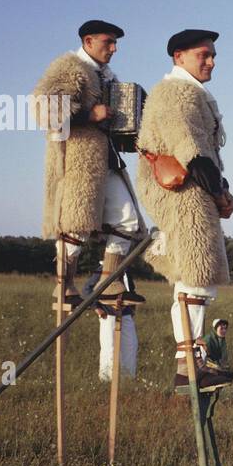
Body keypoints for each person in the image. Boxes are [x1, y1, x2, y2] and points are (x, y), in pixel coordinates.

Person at [135, 29, 233, 389]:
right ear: (179, 57)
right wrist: (219, 192)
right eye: (202, 55)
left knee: (197, 273)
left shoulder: (191, 92)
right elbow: (191, 150)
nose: (210, 61)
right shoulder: (176, 93)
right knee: (193, 272)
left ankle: (191, 363)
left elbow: (202, 155)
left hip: (193, 188)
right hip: (181, 190)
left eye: (212, 55)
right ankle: (188, 365)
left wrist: (220, 190)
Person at [34, 20, 145, 310]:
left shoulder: (107, 77)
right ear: (88, 41)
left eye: (115, 42)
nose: (114, 48)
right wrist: (88, 115)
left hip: (106, 159)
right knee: (76, 225)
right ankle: (64, 286)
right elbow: (43, 109)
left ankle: (107, 283)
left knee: (128, 221)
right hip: (77, 161)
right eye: (108, 42)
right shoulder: (70, 68)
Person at [81, 264, 139, 382]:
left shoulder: (126, 267)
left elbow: (131, 290)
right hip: (108, 314)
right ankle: (107, 380)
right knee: (110, 348)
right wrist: (96, 308)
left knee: (131, 345)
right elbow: (87, 290)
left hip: (126, 313)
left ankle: (127, 379)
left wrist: (132, 308)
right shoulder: (103, 268)